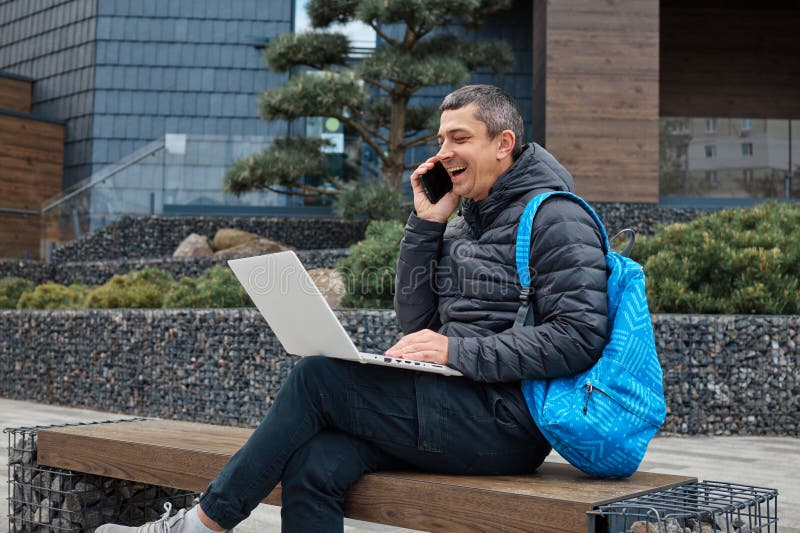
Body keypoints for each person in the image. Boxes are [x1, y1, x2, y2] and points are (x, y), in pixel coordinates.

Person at [97, 84, 608, 533]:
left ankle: (200, 525)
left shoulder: (557, 217)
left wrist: (457, 349)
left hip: (507, 423)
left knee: (318, 378)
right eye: (439, 139)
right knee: (315, 463)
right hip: (452, 404)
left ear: (503, 144)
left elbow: (580, 335)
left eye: (459, 138)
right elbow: (416, 323)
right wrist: (426, 224)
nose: (443, 151)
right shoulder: (466, 217)